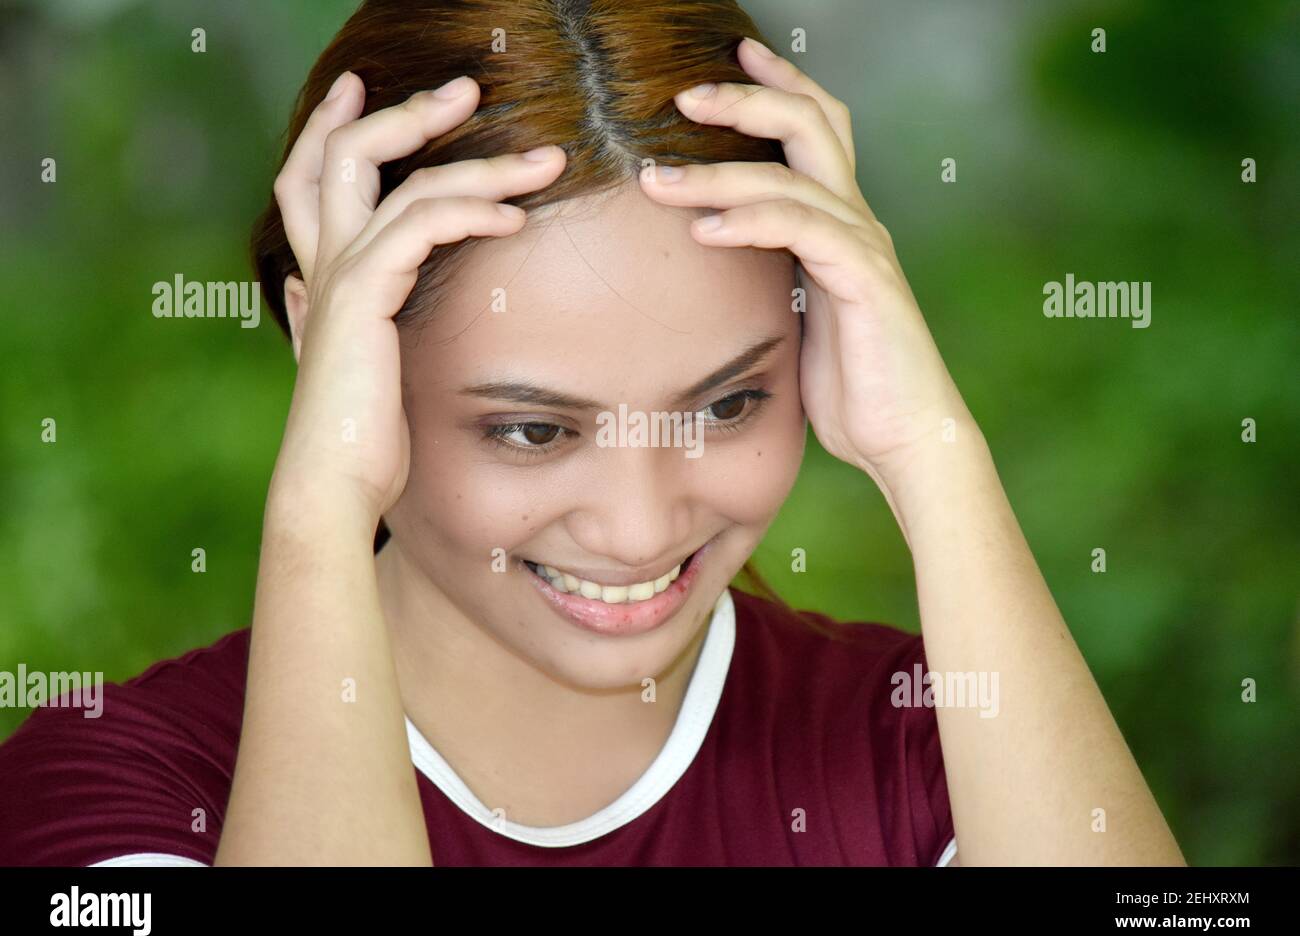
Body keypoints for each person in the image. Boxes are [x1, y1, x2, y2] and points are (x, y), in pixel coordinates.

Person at [0, 0, 1185, 866]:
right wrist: (318, 511)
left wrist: (933, 449)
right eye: (528, 430)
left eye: (726, 404)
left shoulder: (932, 739)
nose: (636, 527)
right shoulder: (113, 790)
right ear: (339, 363)